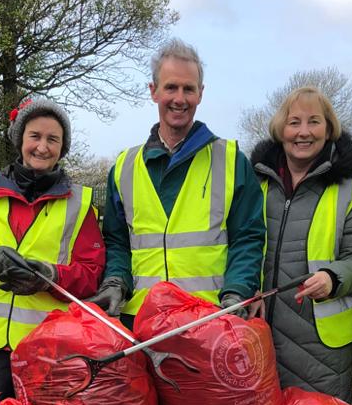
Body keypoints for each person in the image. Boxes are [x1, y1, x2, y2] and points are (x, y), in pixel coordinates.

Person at [0, 96, 104, 405]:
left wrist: (51, 277)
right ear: (19, 140)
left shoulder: (81, 205)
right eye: (35, 136)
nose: (42, 147)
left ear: (62, 148)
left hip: (50, 350)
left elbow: (91, 274)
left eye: (52, 139)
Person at [89, 39, 266, 322]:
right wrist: (115, 282)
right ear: (154, 91)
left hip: (211, 319)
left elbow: (248, 237)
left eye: (189, 89)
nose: (179, 98)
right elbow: (117, 242)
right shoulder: (124, 167)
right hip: (140, 322)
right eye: (171, 87)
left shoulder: (232, 161)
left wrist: (237, 292)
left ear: (201, 93)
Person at [250, 86, 352, 402]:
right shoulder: (256, 182)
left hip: (322, 346)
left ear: (329, 128)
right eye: (294, 122)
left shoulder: (351, 187)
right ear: (281, 129)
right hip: (259, 333)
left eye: (314, 122)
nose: (303, 132)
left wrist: (335, 278)